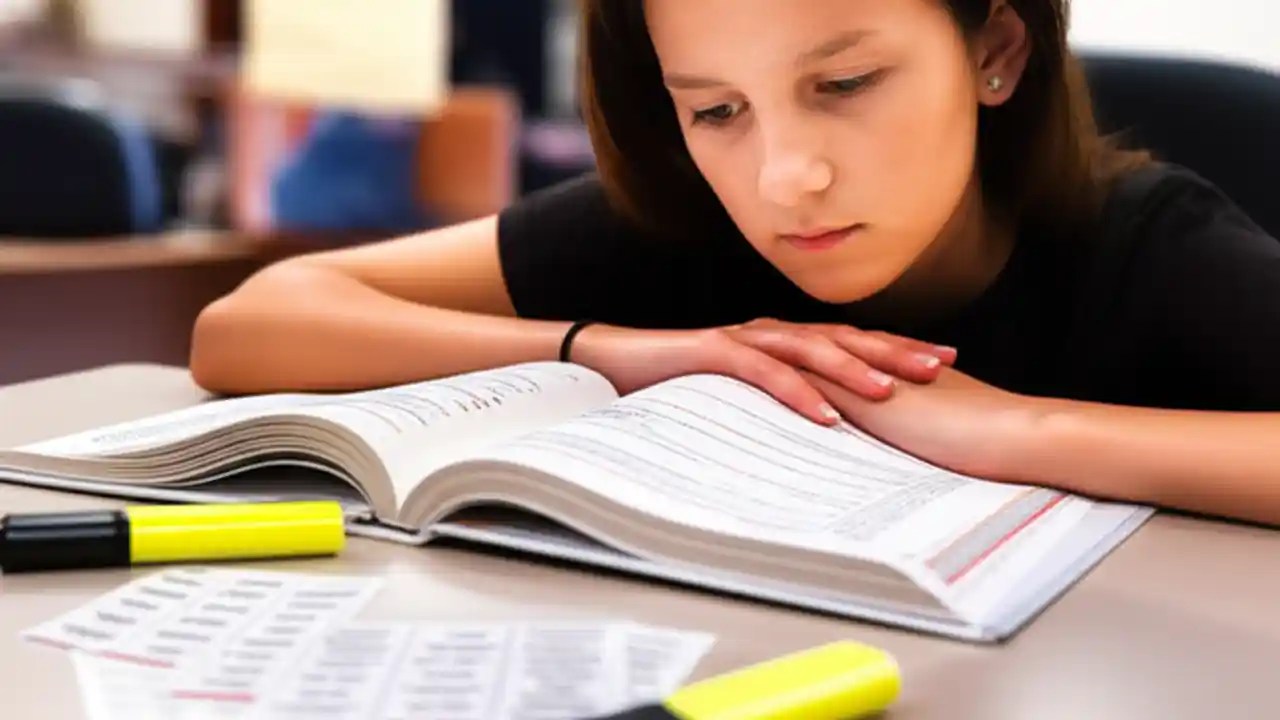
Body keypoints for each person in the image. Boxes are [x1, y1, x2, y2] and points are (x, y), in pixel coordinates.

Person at [189, 0, 1280, 527]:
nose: (779, 178)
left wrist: (1009, 427)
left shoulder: (1148, 245)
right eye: (715, 110)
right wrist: (621, 353)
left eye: (843, 85)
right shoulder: (680, 225)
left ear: (992, 50)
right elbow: (248, 323)